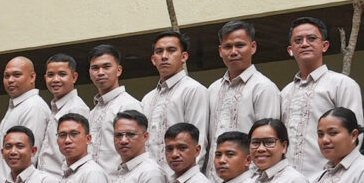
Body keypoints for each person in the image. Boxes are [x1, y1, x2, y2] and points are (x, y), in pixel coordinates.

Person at [279, 17, 364, 179]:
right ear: (290, 49)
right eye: (298, 40)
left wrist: (342, 178)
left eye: (311, 39)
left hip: (328, 179)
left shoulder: (342, 84)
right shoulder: (284, 93)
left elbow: (356, 136)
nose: (304, 44)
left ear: (324, 45)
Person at [142, 31, 210, 169]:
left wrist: (189, 182)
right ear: (153, 59)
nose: (164, 56)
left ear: (184, 56)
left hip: (180, 180)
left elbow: (199, 141)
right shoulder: (147, 99)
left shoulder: (193, 90)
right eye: (159, 52)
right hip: (150, 179)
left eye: (171, 50)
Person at [208, 22, 280, 143]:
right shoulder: (212, 89)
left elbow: (268, 139)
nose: (234, 52)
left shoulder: (263, 88)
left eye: (240, 45)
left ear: (253, 47)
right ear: (220, 51)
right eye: (227, 47)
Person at [85, 45, 137, 172]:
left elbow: (137, 152)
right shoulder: (92, 112)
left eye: (106, 67)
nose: (100, 72)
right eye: (95, 68)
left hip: (118, 182)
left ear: (119, 70)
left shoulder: (128, 105)